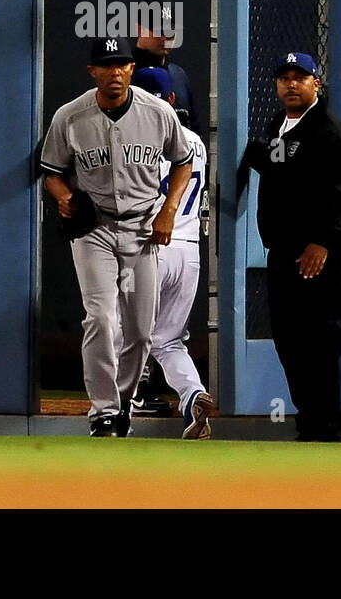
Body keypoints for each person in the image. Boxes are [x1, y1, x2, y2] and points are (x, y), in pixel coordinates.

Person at [40, 37, 194, 437]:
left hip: (144, 225)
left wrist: (169, 210)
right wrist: (64, 197)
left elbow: (183, 160)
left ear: (131, 69)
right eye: (106, 65)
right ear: (93, 72)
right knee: (101, 318)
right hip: (95, 229)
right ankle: (104, 411)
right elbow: (52, 171)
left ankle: (123, 400)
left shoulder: (158, 112)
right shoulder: (70, 116)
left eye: (122, 65)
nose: (115, 72)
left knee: (142, 330)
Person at [241, 52, 341, 442]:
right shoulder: (278, 124)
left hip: (323, 257)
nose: (291, 84)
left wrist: (322, 242)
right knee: (289, 339)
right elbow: (283, 170)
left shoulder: (332, 132)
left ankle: (324, 428)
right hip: (284, 253)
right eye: (284, 78)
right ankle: (310, 420)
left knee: (320, 343)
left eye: (300, 77)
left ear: (317, 83)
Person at [123, 67, 217, 438]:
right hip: (188, 251)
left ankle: (119, 416)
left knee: (121, 337)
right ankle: (193, 394)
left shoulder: (139, 134)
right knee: (169, 340)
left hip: (151, 248)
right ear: (172, 99)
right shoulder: (195, 140)